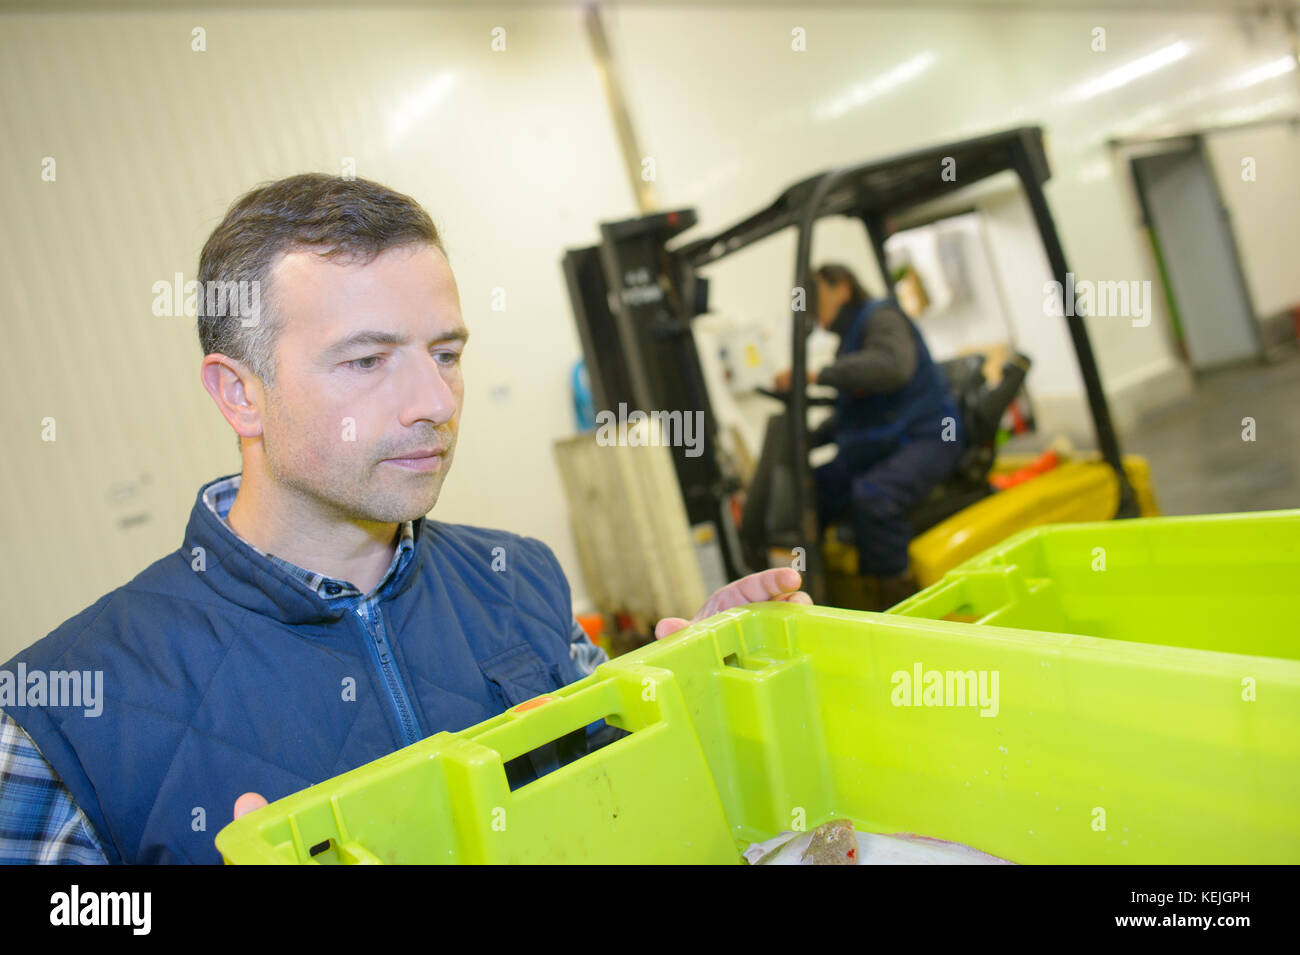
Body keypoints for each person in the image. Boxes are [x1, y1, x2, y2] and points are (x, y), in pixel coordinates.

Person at [0, 174, 811, 864]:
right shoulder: (58, 715)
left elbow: (620, 820)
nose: (433, 404)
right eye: (366, 360)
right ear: (240, 394)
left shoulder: (522, 579)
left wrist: (693, 694)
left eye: (446, 354)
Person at [774, 263, 965, 609]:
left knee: (874, 496)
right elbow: (855, 410)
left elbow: (891, 367)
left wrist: (817, 375)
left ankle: (896, 602)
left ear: (842, 287)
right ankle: (810, 593)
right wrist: (807, 440)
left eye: (816, 294)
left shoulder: (882, 318)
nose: (813, 307)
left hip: (928, 436)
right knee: (812, 488)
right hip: (887, 441)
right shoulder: (849, 343)